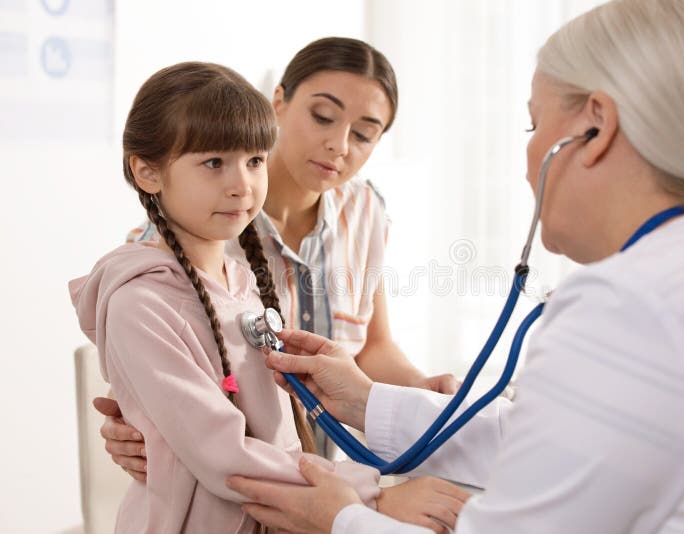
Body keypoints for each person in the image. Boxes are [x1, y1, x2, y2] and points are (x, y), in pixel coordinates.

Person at [223, 0, 684, 532]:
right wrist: (366, 401)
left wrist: (347, 516)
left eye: (533, 123)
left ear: (594, 126)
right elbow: (540, 440)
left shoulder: (636, 306)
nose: (526, 158)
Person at [70, 61, 468, 534]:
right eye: (214, 162)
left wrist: (415, 402)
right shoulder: (142, 296)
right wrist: (372, 498)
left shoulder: (248, 277)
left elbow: (362, 358)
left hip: (290, 508)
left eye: (254, 161)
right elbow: (220, 449)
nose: (241, 185)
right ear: (147, 172)